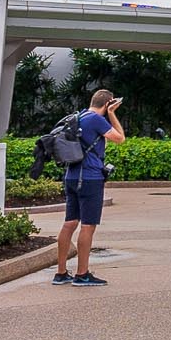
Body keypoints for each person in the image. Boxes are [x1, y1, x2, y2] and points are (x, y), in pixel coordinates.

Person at [53, 90, 125, 287]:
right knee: (88, 225)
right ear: (109, 102)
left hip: (71, 176)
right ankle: (82, 274)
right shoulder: (96, 119)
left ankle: (60, 273)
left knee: (70, 222)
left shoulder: (79, 116)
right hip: (90, 178)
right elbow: (120, 138)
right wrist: (112, 114)